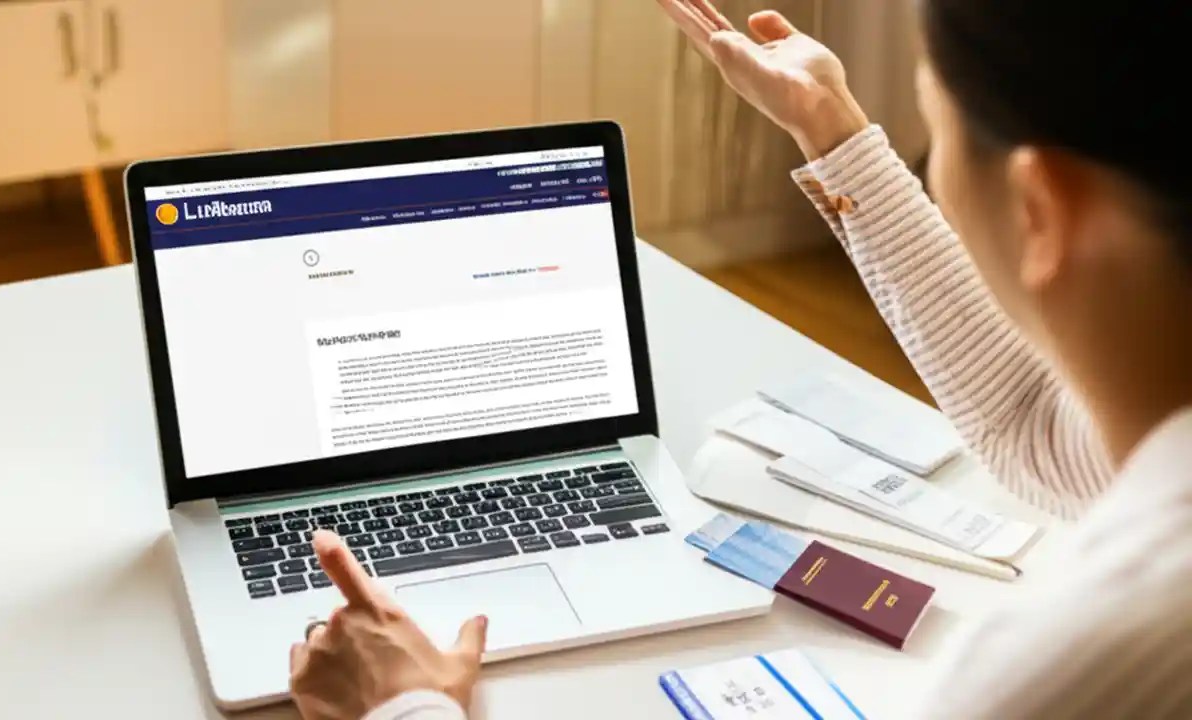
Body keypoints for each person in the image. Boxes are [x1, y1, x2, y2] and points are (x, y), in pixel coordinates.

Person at [288, 1, 1192, 717]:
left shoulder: (1082, 663)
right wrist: (831, 125)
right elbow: (1034, 426)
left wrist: (405, 709)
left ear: (1040, 207)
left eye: (932, 121)